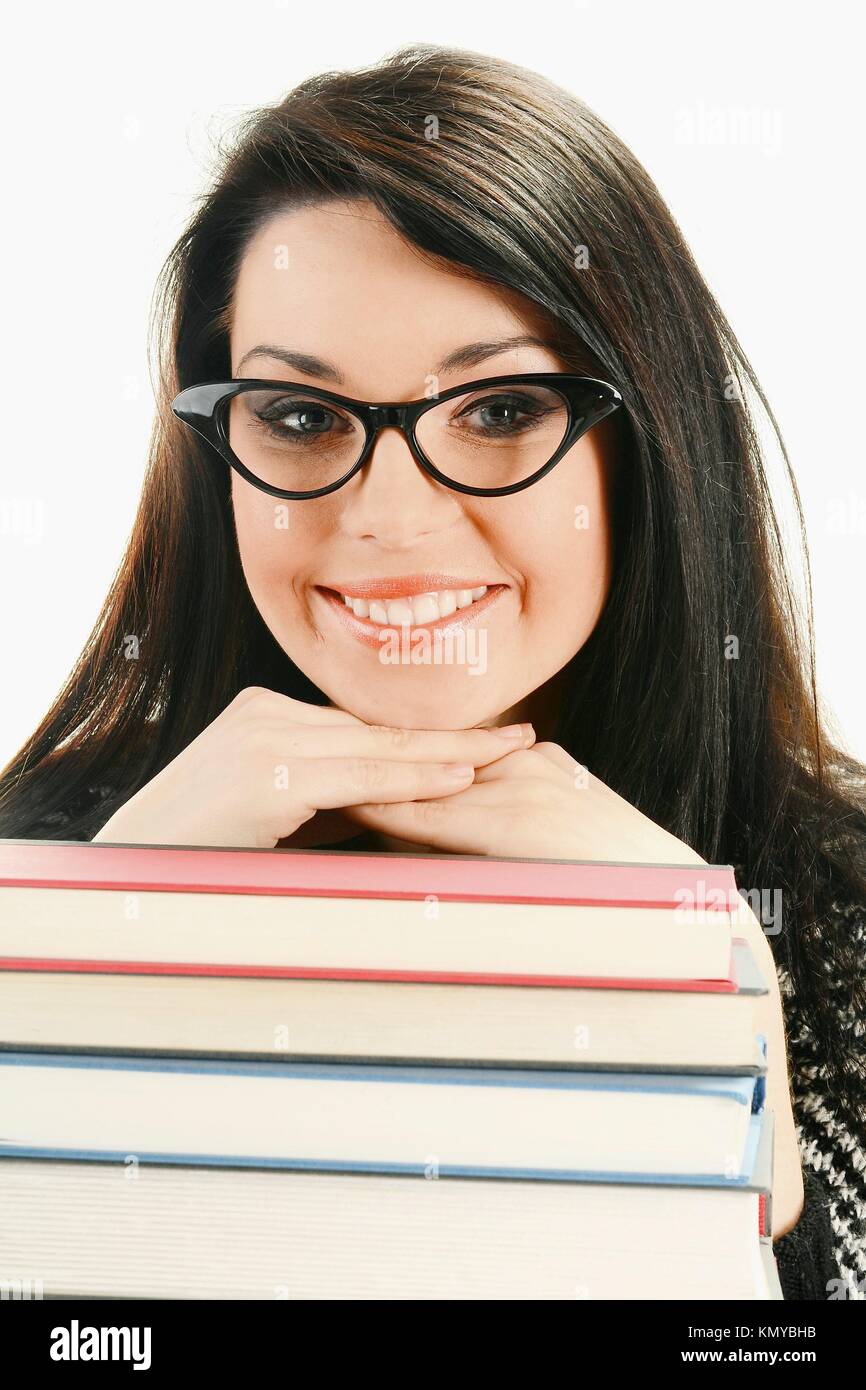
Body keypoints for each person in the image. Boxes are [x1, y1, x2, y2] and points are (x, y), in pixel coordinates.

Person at [0, 43, 863, 1300]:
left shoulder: (840, 932)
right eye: (298, 419)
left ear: (650, 439)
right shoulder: (27, 891)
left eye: (500, 409)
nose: (388, 518)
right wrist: (93, 971)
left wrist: (738, 1136)